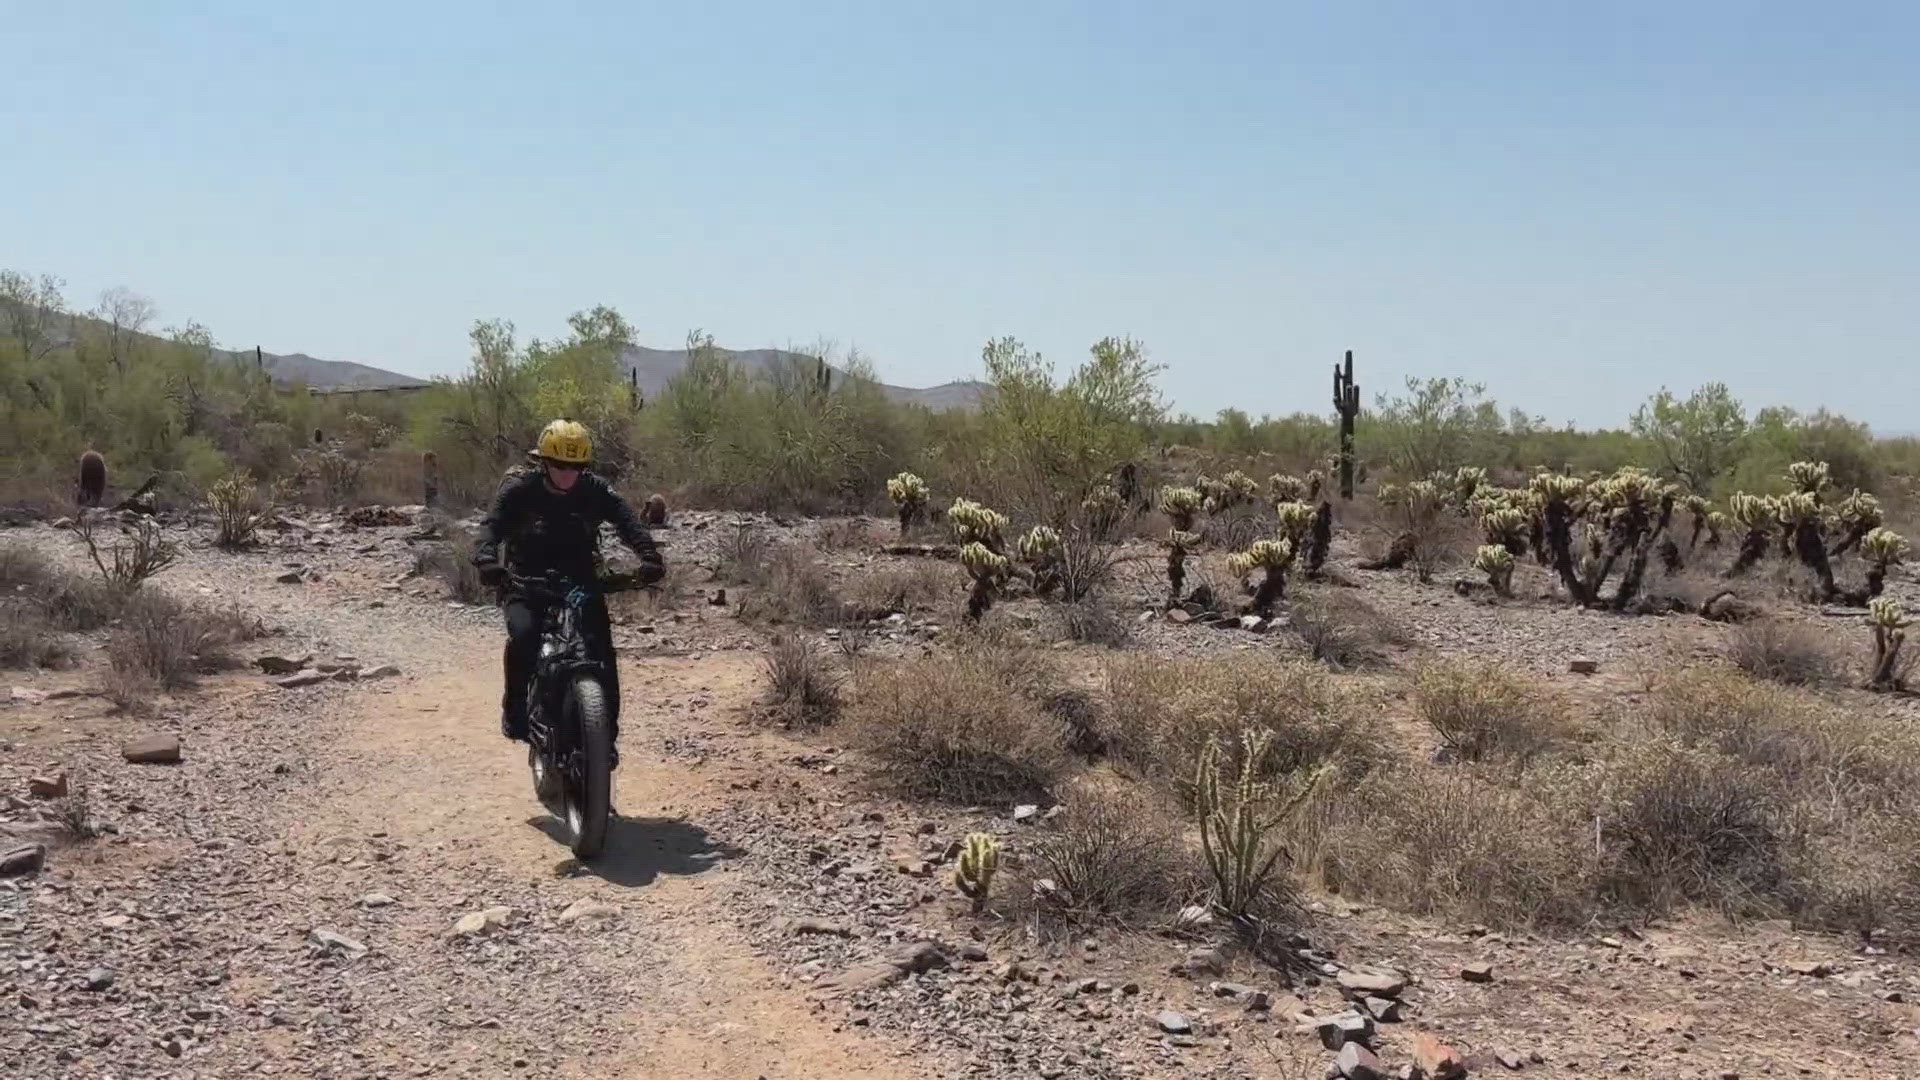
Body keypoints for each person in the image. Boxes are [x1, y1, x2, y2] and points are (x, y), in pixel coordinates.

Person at [471, 419, 663, 757]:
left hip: (579, 579)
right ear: (543, 462)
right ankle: (515, 710)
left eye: (576, 467)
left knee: (600, 651)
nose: (567, 474)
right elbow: (492, 527)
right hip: (525, 578)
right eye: (560, 465)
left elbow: (629, 523)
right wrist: (487, 562)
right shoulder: (519, 490)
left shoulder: (596, 490)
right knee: (525, 635)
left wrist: (649, 557)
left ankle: (605, 741)